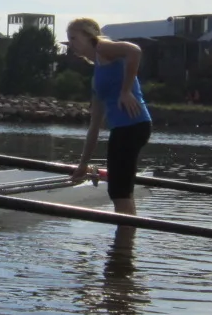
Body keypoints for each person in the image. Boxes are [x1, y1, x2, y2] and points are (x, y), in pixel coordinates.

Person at [64, 17, 152, 215]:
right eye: (69, 40)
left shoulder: (103, 48)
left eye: (74, 38)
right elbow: (94, 125)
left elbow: (135, 51)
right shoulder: (97, 76)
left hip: (133, 125)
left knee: (119, 192)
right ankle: (124, 242)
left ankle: (124, 242)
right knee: (120, 192)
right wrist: (83, 163)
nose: (71, 45)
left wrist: (126, 91)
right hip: (123, 129)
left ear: (89, 36)